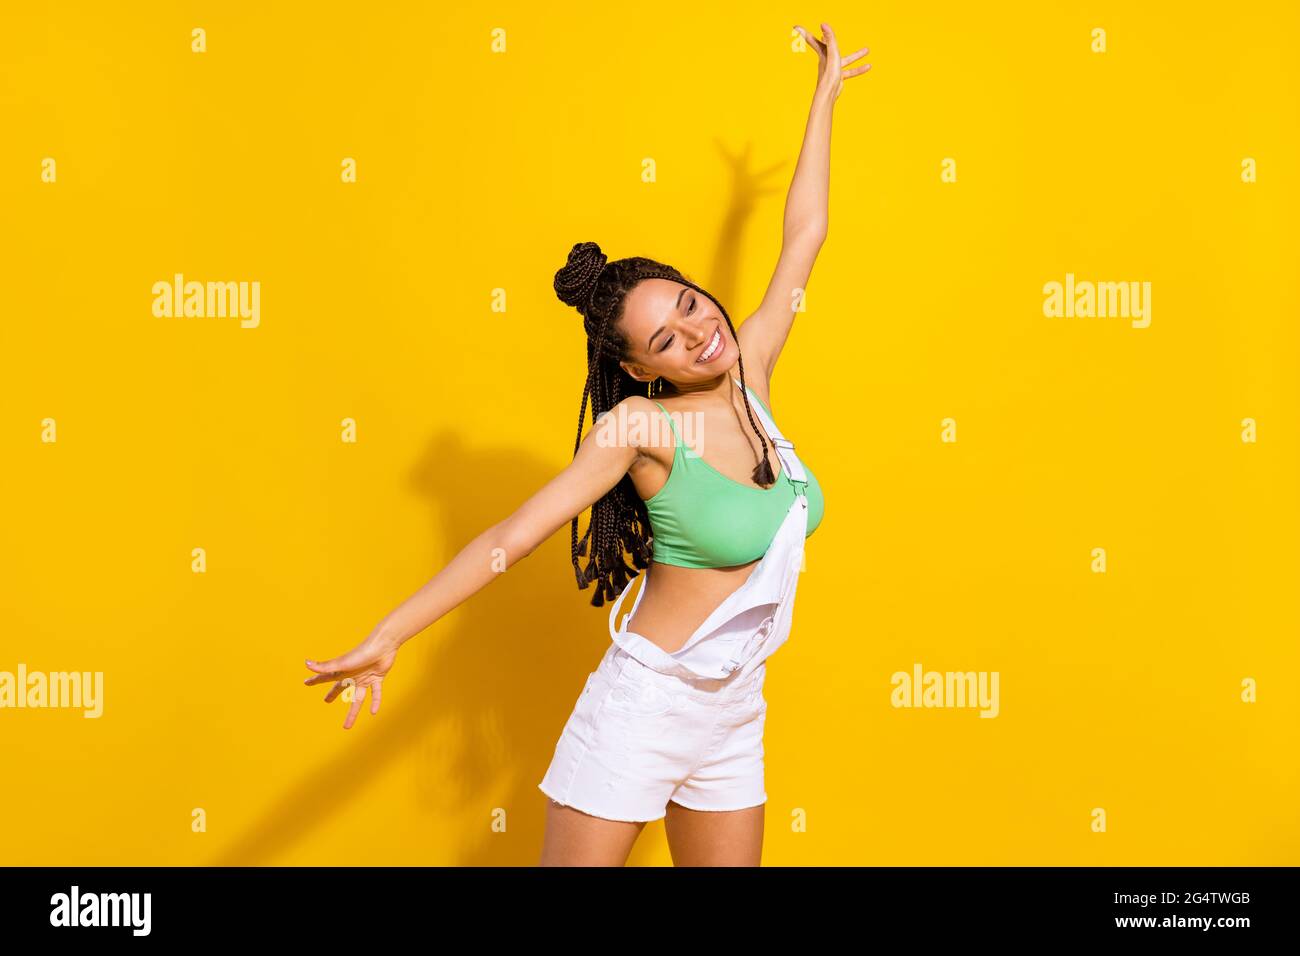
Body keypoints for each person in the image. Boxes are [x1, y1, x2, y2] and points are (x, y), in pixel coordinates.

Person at [302, 23, 870, 866]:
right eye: (666, 341)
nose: (696, 332)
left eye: (687, 303)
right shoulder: (639, 432)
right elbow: (510, 540)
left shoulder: (754, 376)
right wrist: (390, 635)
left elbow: (805, 239)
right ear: (638, 370)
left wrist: (822, 99)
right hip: (644, 708)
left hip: (734, 712)